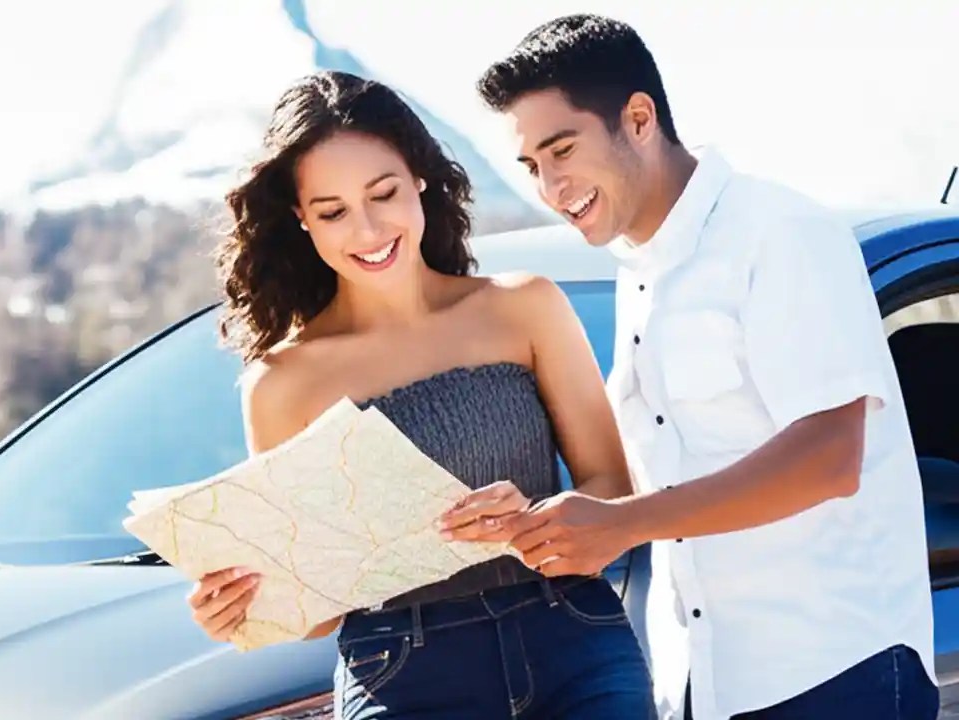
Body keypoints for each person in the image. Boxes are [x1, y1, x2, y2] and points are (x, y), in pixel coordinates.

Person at [467, 13, 939, 720]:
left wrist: (624, 524)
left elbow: (829, 457)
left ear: (637, 118)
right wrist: (532, 516)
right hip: (703, 686)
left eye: (562, 149)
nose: (551, 186)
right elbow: (657, 477)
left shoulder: (778, 233)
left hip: (837, 676)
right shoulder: (639, 274)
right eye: (532, 167)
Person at [189, 69, 656, 719]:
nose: (369, 229)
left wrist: (534, 519)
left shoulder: (523, 308)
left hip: (571, 639)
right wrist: (247, 608)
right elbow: (318, 609)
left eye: (384, 194)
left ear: (420, 180)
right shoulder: (282, 385)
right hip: (401, 674)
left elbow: (613, 491)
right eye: (333, 212)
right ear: (300, 217)